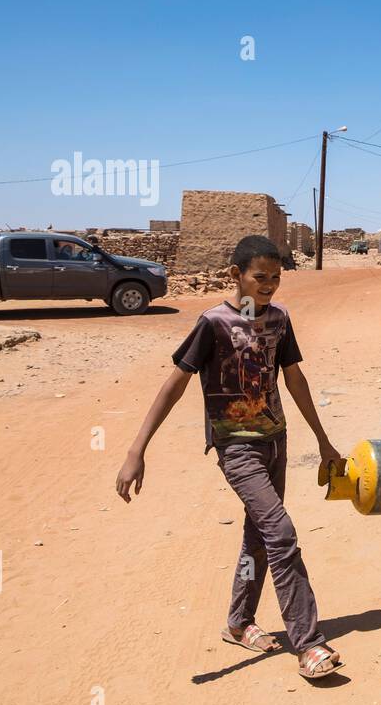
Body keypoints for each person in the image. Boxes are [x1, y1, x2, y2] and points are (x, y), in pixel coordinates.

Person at [115, 235, 343, 679]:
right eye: (260, 277)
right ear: (234, 275)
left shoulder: (279, 320)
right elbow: (174, 385)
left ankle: (239, 622)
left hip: (276, 440)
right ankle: (309, 643)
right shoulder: (213, 323)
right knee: (280, 532)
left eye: (276, 278)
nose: (269, 286)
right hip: (235, 446)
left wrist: (323, 439)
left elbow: (294, 379)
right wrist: (135, 450)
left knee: (258, 535)